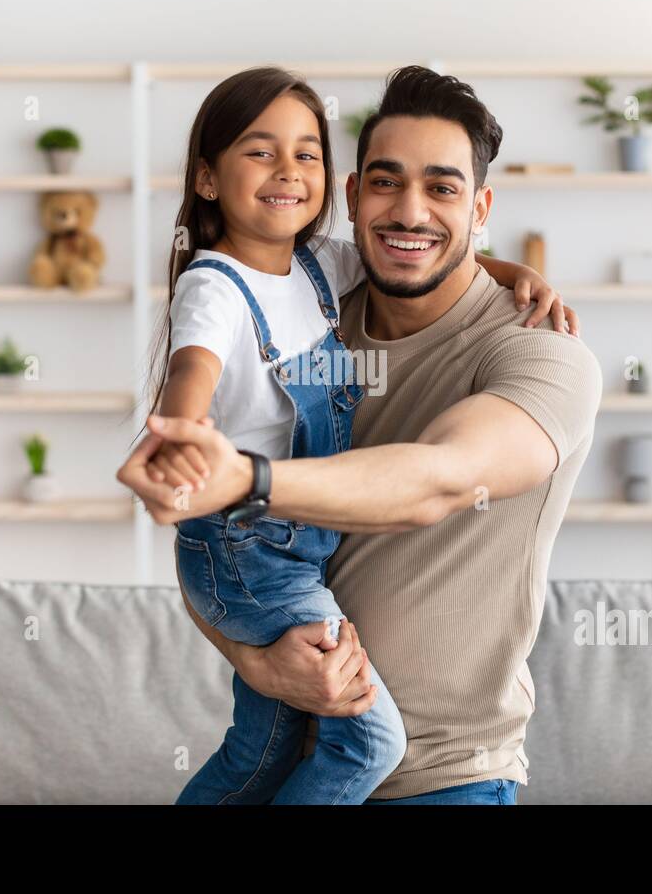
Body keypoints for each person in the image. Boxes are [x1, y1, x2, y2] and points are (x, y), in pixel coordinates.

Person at [142, 66, 574, 804]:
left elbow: (440, 478)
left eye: (442, 188)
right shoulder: (308, 308)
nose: (410, 212)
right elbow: (206, 537)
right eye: (385, 182)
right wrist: (252, 659)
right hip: (304, 745)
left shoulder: (540, 351)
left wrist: (251, 482)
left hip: (448, 779)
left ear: (479, 208)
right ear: (352, 198)